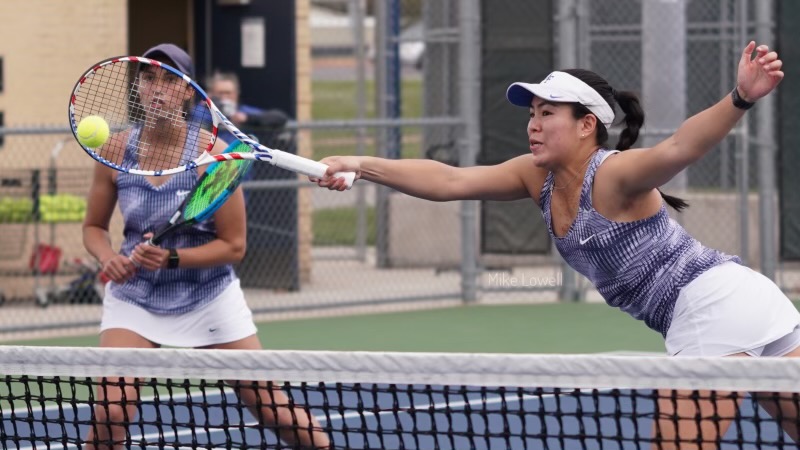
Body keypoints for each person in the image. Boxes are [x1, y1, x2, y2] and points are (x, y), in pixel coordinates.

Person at [315, 41, 799, 447]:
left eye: (548, 113)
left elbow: (679, 148)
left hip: (710, 307)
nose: (534, 124)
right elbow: (449, 180)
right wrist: (362, 164)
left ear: (587, 124)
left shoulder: (613, 175)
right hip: (746, 299)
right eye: (532, 113)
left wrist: (740, 96)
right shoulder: (536, 177)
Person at [82, 43, 330, 449]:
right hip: (135, 296)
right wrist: (109, 257)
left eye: (169, 80)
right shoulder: (113, 149)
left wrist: (171, 258)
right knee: (110, 414)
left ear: (187, 93)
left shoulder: (217, 155)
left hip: (208, 294)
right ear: (138, 87)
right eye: (148, 78)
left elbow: (234, 247)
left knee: (273, 409)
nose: (157, 88)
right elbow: (93, 226)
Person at [206, 71, 290, 145]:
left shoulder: (243, 111)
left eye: (228, 93)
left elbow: (279, 117)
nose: (224, 97)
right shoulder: (203, 112)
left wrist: (247, 118)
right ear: (212, 94)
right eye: (220, 93)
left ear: (236, 93)